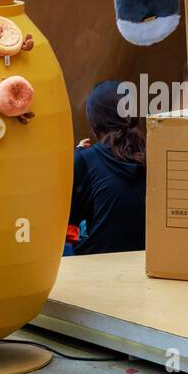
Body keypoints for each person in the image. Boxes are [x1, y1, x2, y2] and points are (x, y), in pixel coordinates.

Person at [68, 80, 147, 256]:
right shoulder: (154, 155)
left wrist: (78, 157)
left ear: (95, 122)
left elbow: (68, 218)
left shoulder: (86, 159)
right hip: (145, 257)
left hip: (97, 260)